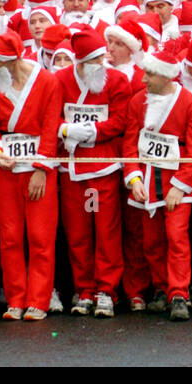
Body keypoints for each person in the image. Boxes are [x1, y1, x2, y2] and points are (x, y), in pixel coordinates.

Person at [0, 30, 64, 320]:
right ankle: (16, 298)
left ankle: (38, 299)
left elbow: (51, 127)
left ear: (9, 61)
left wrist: (41, 169)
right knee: (11, 236)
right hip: (7, 168)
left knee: (40, 237)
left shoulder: (48, 82)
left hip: (38, 169)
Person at [123, 41, 192, 321]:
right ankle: (160, 287)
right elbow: (130, 144)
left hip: (175, 184)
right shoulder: (137, 101)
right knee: (151, 241)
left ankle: (179, 292)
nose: (143, 79)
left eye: (149, 74)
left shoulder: (190, 104)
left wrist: (180, 186)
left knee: (177, 237)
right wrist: (133, 177)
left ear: (166, 76)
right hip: (146, 181)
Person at [55, 30, 129, 317]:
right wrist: (65, 129)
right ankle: (84, 289)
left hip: (103, 167)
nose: (103, 61)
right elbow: (51, 115)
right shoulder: (61, 80)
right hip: (72, 169)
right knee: (78, 232)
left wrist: (91, 132)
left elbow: (121, 119)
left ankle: (106, 290)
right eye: (96, 57)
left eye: (103, 56)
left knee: (107, 231)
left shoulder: (118, 80)